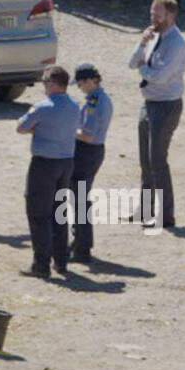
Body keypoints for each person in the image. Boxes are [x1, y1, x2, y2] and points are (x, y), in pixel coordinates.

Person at [128, 0, 185, 229]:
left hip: (166, 105)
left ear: (171, 15)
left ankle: (166, 214)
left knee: (158, 160)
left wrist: (143, 68)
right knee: (145, 159)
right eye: (152, 13)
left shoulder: (177, 44)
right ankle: (145, 209)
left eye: (158, 14)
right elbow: (132, 63)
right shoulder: (152, 36)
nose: (153, 17)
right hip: (149, 103)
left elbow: (160, 77)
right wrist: (142, 44)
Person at [16, 66, 80, 279]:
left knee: (38, 214)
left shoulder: (43, 107)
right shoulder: (74, 106)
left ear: (53, 84)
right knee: (59, 213)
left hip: (44, 164)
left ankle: (41, 264)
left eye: (45, 82)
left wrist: (39, 128)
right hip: (66, 163)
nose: (44, 86)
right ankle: (61, 262)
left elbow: (22, 127)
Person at [69, 63, 113, 263]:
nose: (79, 88)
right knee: (79, 199)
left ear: (89, 81)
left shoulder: (95, 102)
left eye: (80, 84)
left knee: (79, 200)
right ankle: (79, 242)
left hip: (86, 153)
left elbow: (87, 135)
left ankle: (82, 247)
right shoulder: (97, 99)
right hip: (91, 152)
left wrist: (67, 130)